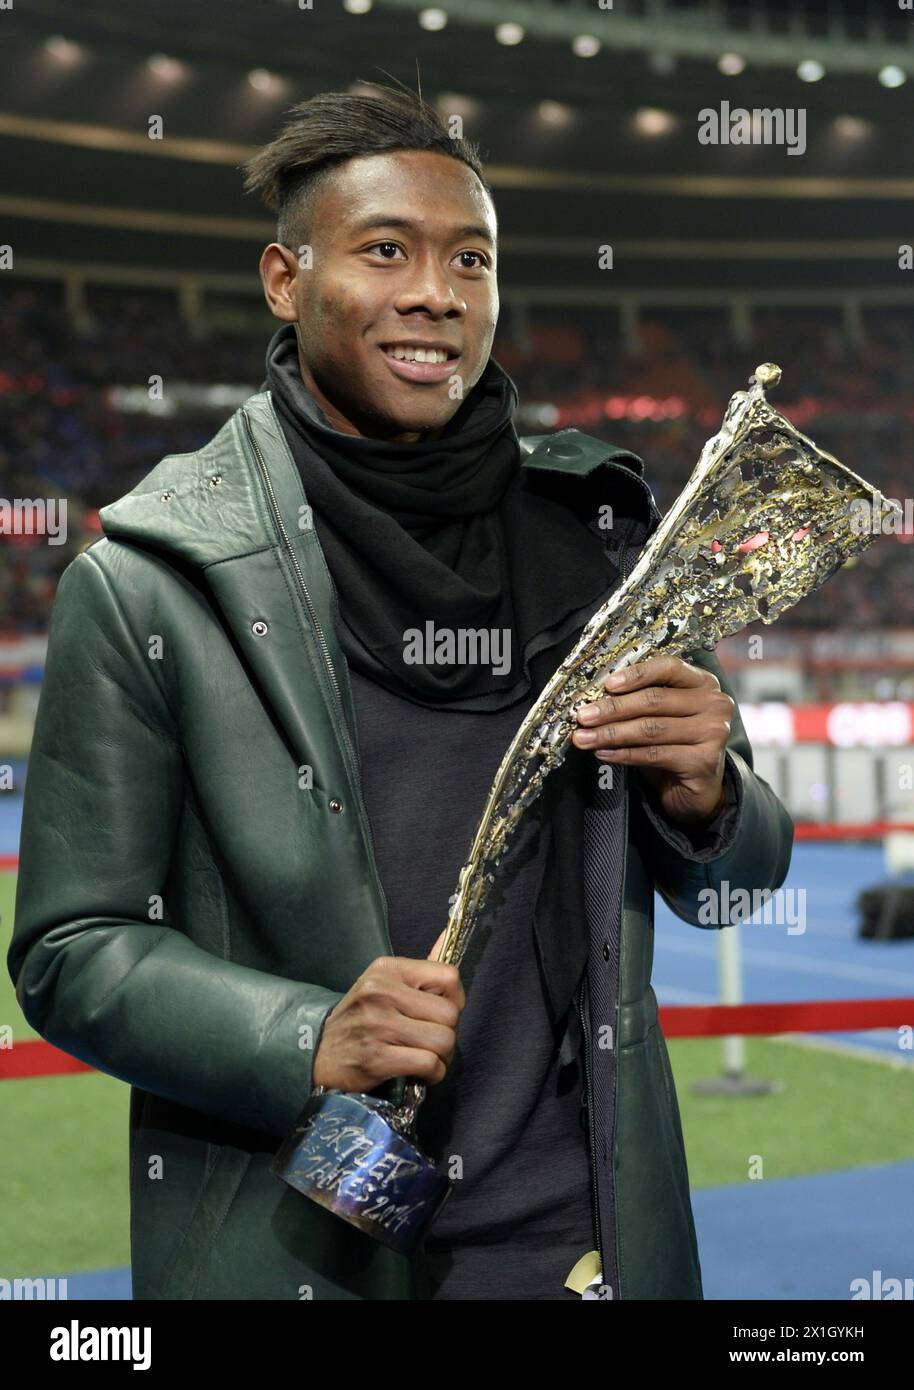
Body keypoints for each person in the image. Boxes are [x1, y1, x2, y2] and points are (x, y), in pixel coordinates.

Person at [8, 82, 793, 1301]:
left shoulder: (590, 540)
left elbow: (735, 885)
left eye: (468, 260)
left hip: (582, 1247)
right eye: (387, 252)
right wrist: (305, 1035)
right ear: (285, 279)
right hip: (308, 1252)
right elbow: (70, 948)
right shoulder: (150, 582)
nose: (437, 293)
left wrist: (711, 797)